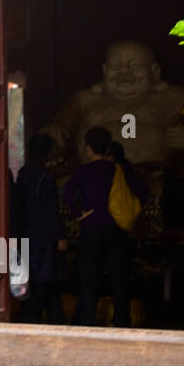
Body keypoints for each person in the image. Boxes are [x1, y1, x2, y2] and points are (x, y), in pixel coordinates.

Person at [62, 126, 147, 327]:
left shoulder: (83, 171)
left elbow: (67, 193)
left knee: (89, 279)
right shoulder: (118, 170)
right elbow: (142, 192)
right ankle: (121, 322)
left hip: (91, 228)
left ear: (88, 148)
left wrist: (78, 214)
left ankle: (88, 322)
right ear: (108, 147)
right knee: (119, 279)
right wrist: (131, 211)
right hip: (116, 230)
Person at [11, 133, 67, 324]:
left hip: (26, 234)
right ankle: (34, 318)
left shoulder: (23, 174)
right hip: (43, 236)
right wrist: (59, 236)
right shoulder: (45, 177)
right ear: (48, 153)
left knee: (35, 279)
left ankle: (52, 317)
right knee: (44, 280)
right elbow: (51, 211)